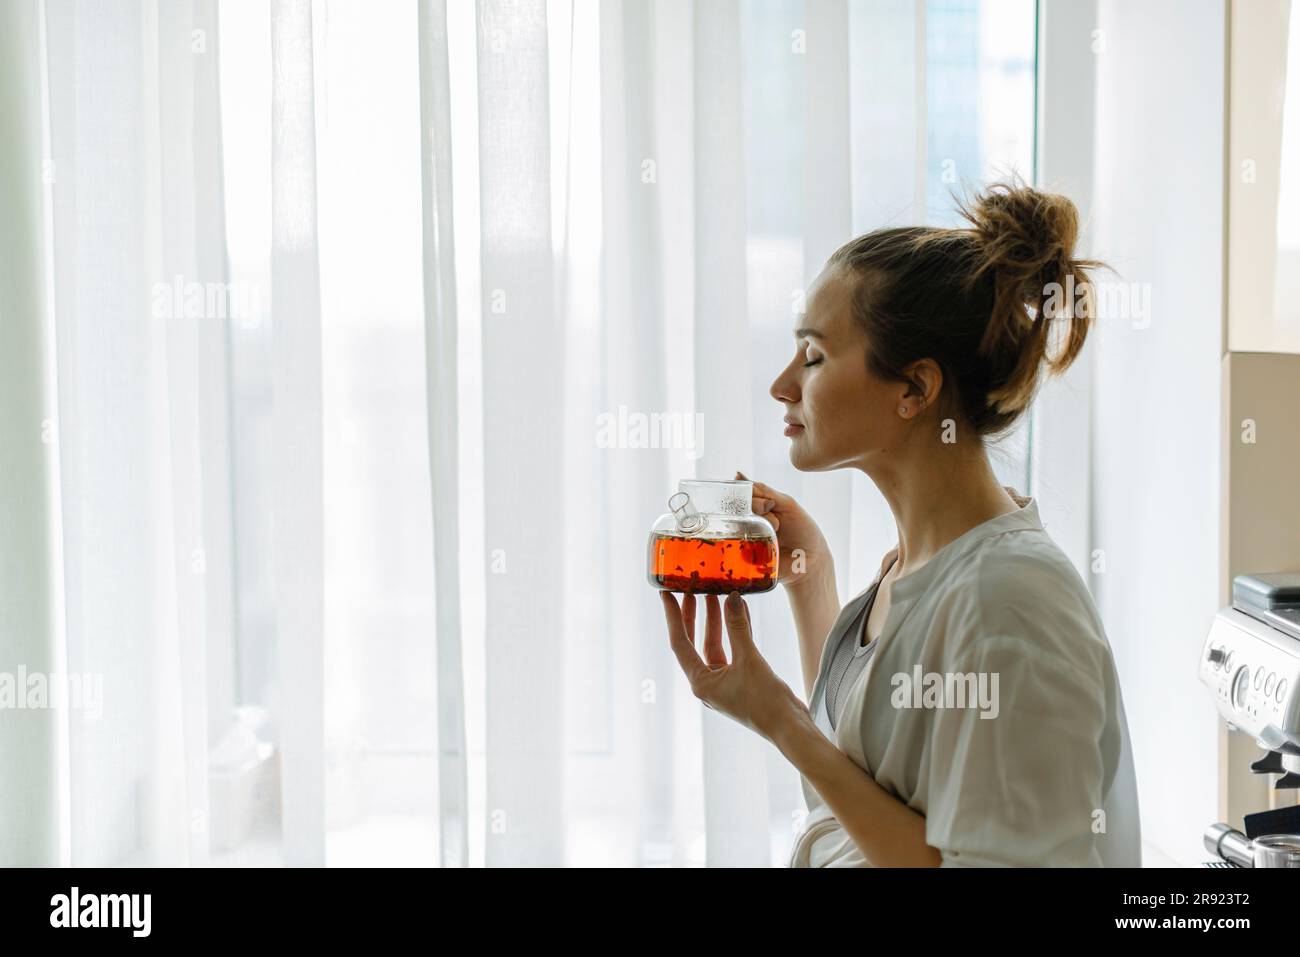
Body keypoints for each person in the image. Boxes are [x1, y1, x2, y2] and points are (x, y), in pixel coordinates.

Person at [659, 181, 1141, 867]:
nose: (783, 384)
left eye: (814, 356)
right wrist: (812, 578)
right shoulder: (919, 566)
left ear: (915, 388)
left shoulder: (1013, 603)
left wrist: (779, 719)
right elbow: (870, 784)